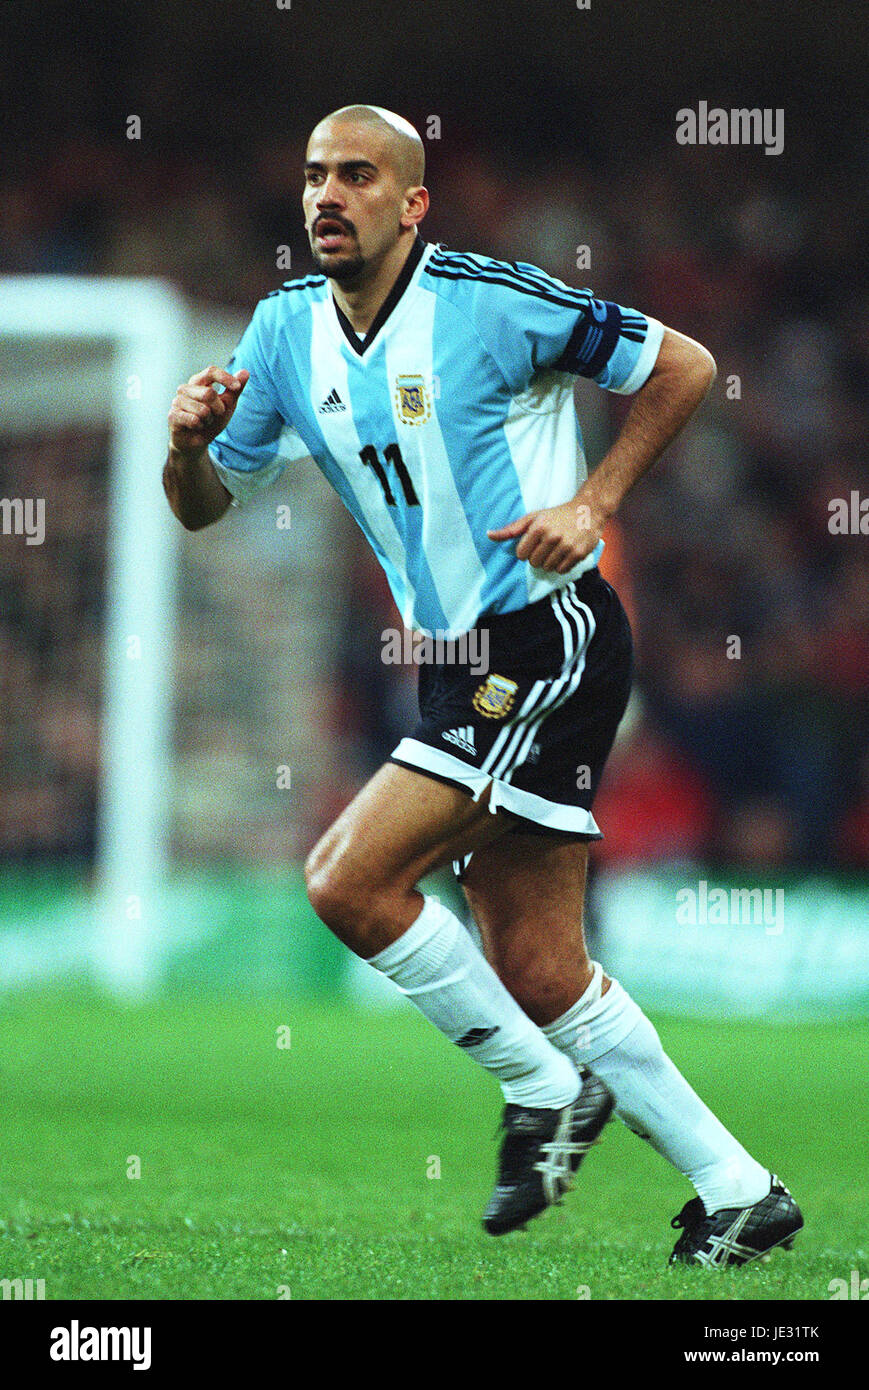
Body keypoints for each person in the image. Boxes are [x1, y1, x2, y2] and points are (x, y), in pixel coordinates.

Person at [164, 105, 802, 1264]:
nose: (325, 195)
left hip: (544, 637)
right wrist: (184, 447)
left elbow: (684, 364)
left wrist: (592, 504)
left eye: (356, 175)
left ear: (412, 203)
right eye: (313, 174)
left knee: (345, 879)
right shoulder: (280, 335)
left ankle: (545, 1092)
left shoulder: (490, 302)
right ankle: (736, 1187)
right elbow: (208, 509)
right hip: (453, 668)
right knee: (540, 965)